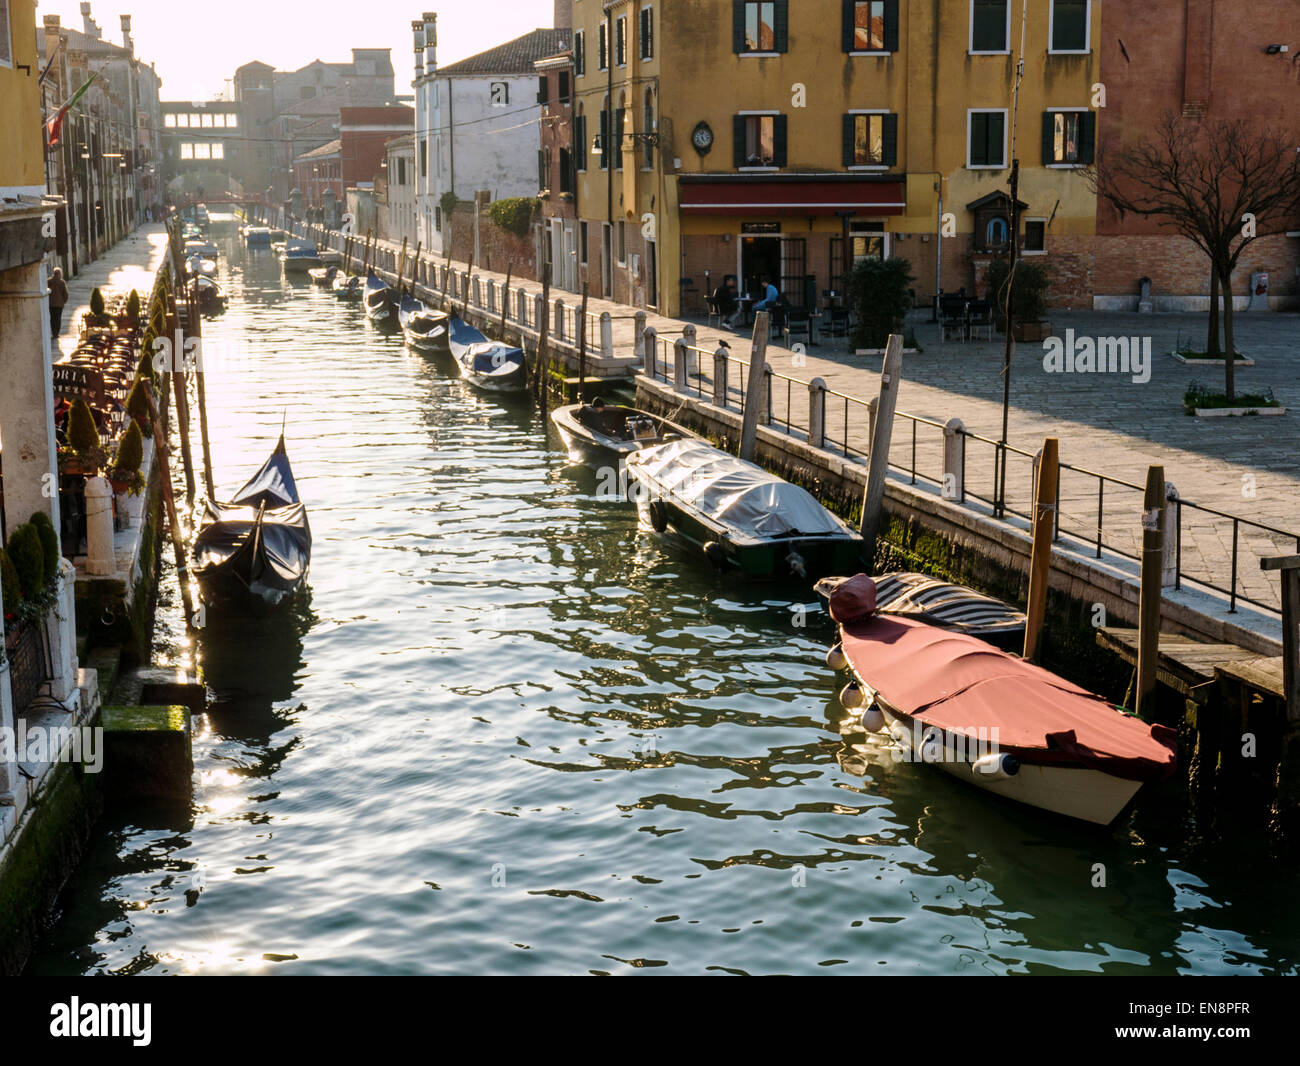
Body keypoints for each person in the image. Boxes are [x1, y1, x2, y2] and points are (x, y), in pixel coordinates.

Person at [47, 267, 69, 337]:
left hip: (51, 304)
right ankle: (56, 333)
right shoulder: (62, 282)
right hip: (59, 305)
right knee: (58, 319)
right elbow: (66, 294)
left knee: (52, 318)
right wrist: (64, 301)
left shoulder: (49, 281)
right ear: (60, 274)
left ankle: (53, 332)